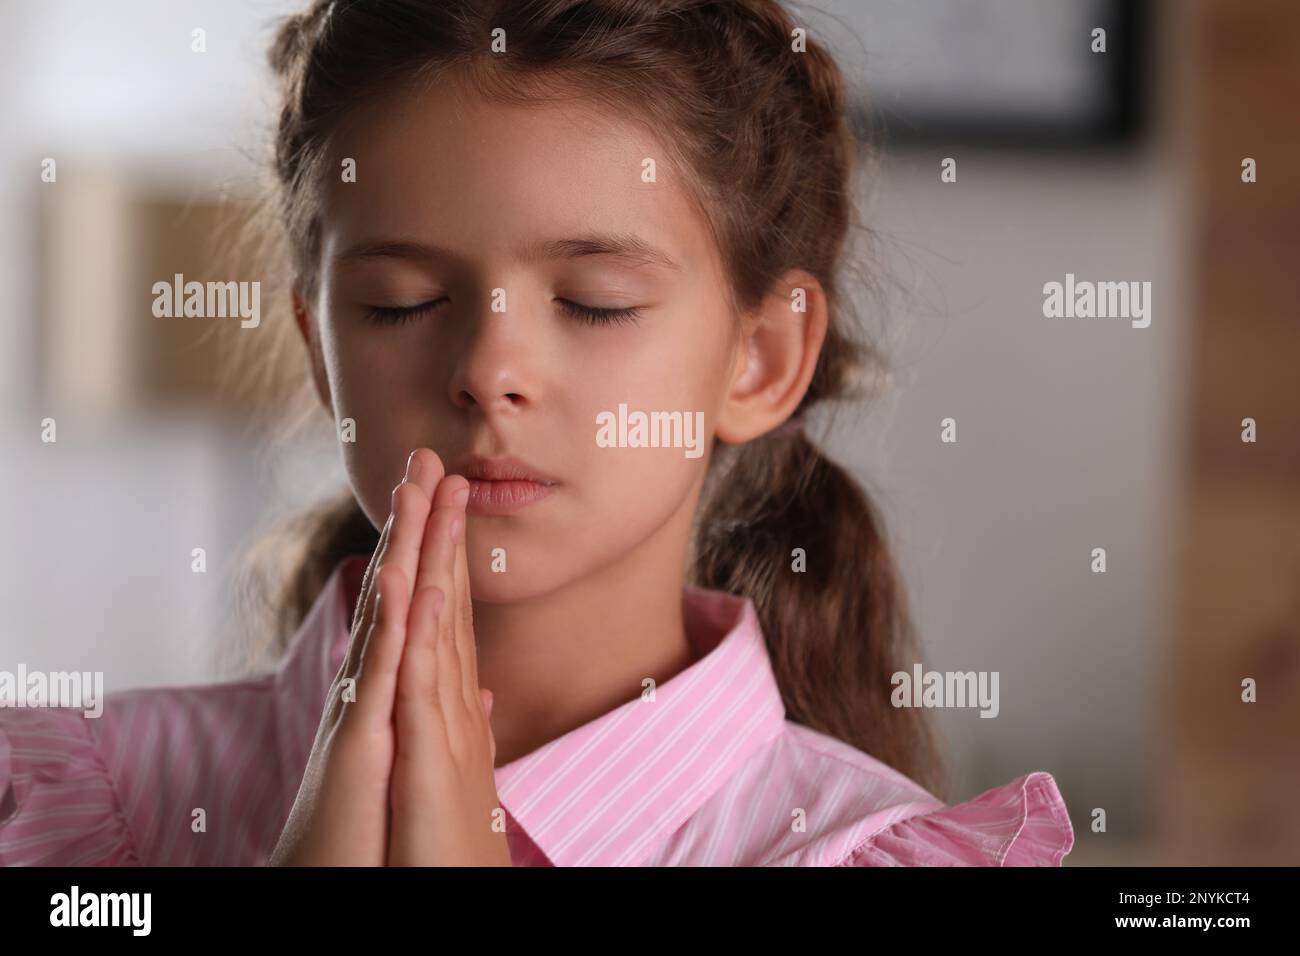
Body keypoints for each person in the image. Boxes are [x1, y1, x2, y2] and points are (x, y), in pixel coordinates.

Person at [0, 0, 1073, 866]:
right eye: (401, 303)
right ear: (320, 347)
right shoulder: (74, 803)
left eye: (594, 301)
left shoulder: (854, 852)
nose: (486, 372)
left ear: (760, 360)